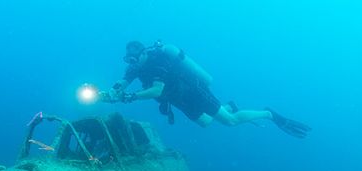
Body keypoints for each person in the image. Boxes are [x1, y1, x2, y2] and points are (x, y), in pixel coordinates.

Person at [99, 40, 311, 138]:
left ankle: (268, 114)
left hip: (195, 92)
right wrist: (111, 93)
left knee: (230, 121)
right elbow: (123, 83)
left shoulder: (158, 62)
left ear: (144, 53)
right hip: (179, 100)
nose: (133, 63)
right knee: (206, 123)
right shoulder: (134, 67)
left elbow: (156, 90)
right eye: (129, 60)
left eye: (135, 58)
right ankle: (228, 106)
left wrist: (130, 97)